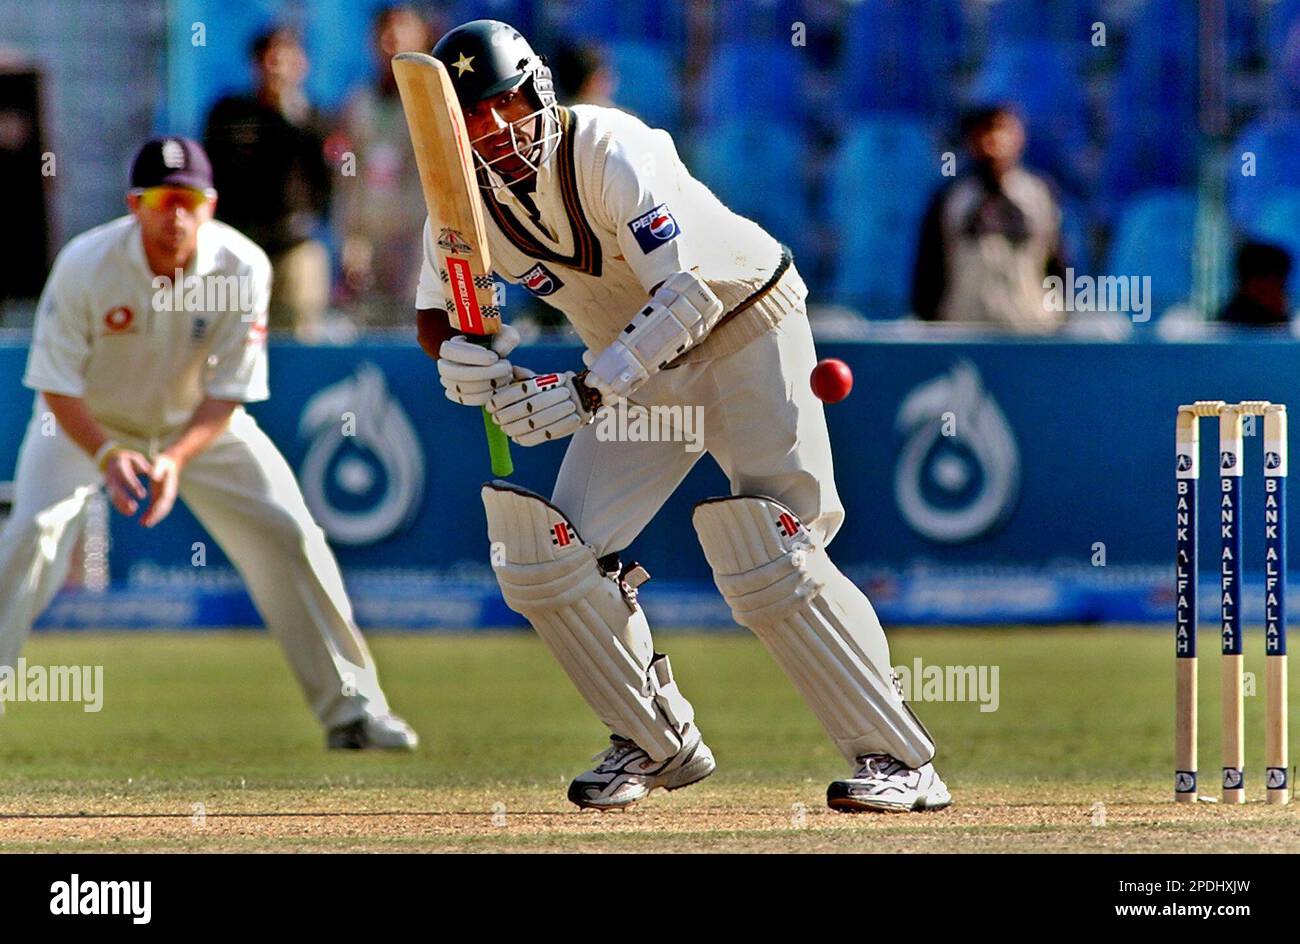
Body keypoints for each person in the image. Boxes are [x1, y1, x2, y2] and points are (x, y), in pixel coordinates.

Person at [419, 21, 948, 813]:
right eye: (476, 117)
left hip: (743, 326)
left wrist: (589, 390)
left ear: (540, 92)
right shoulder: (460, 203)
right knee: (543, 554)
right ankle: (653, 738)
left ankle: (902, 760)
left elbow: (689, 294)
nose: (496, 130)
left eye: (508, 106)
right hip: (633, 369)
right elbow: (441, 311)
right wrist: (460, 359)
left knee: (773, 550)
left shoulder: (606, 147)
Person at [0, 137, 416, 751]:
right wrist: (110, 456)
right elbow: (56, 385)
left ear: (210, 204)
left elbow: (230, 390)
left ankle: (353, 711)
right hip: (85, 421)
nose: (176, 217)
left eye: (189, 201)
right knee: (32, 536)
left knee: (289, 532)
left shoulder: (242, 266)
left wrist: (172, 460)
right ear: (133, 205)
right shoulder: (86, 263)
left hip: (197, 424)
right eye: (163, 201)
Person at [204, 27, 333, 339]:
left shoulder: (313, 118)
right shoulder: (230, 113)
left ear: (302, 65)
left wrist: (288, 112)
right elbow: (212, 174)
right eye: (269, 59)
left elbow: (327, 182)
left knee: (298, 335)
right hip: (240, 245)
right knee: (237, 336)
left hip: (294, 245)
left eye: (286, 59)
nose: (276, 68)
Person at [911, 104, 1066, 332]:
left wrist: (1058, 316)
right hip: (963, 328)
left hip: (1030, 328)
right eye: (984, 131)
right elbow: (929, 269)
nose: (994, 141)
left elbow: (1056, 265)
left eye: (1002, 130)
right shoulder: (951, 197)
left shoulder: (1039, 195)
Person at [335, 5, 437, 328]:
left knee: (417, 330)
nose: (391, 37)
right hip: (372, 238)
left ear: (423, 34)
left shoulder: (437, 97)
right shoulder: (358, 102)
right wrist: (352, 241)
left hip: (420, 242)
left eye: (402, 27)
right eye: (384, 29)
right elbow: (348, 177)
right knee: (368, 330)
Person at [1218, 241, 1292, 327]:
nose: (1284, 294)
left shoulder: (1275, 321)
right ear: (1256, 285)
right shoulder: (1237, 328)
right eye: (1280, 285)